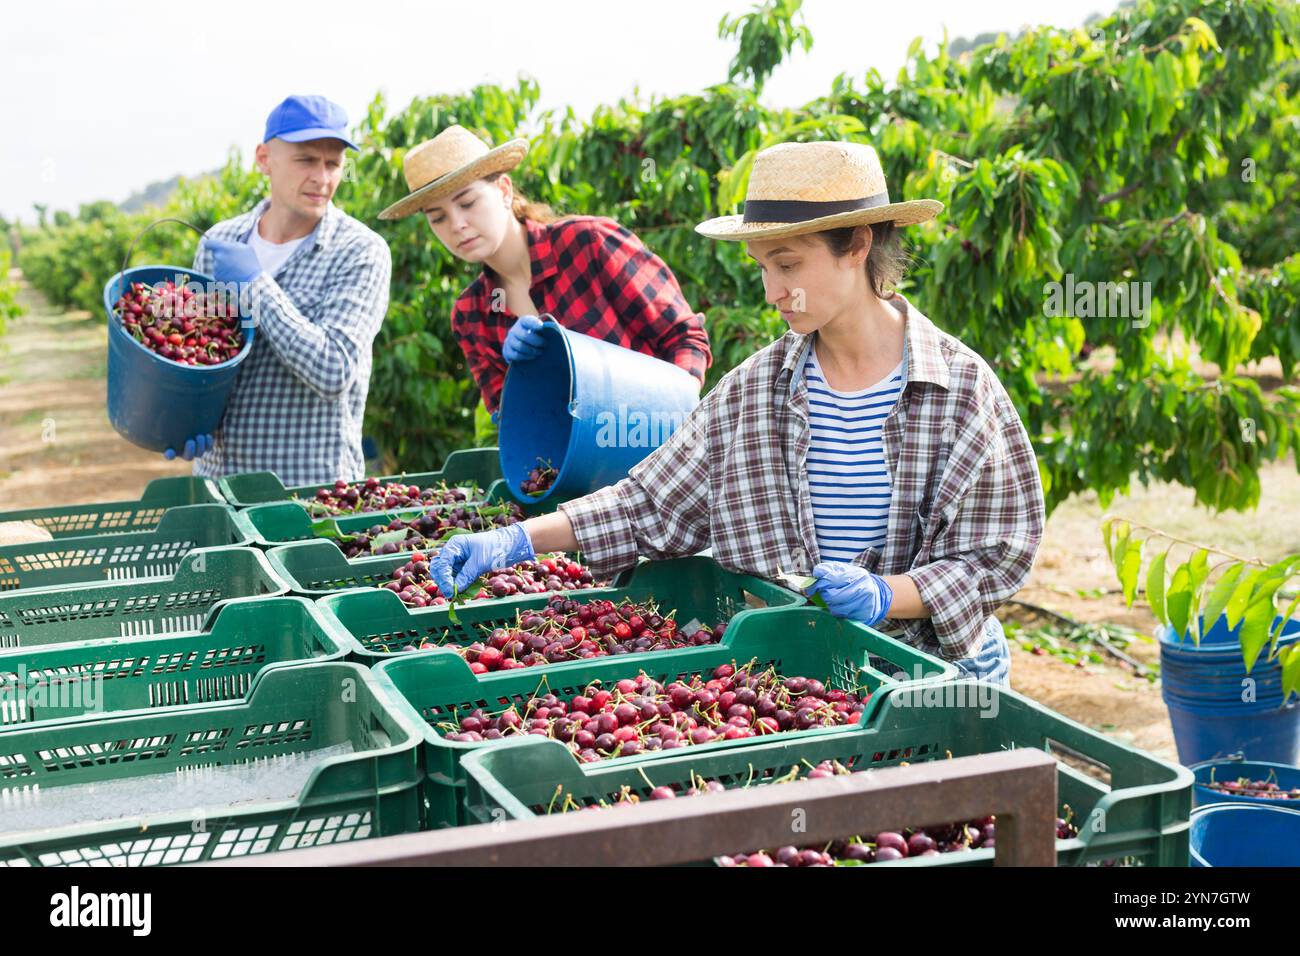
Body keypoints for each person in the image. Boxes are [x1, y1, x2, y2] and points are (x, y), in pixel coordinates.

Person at [429, 140, 1045, 685]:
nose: (772, 292)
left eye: (788, 265)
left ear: (857, 245)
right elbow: (647, 503)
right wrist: (515, 539)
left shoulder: (959, 390)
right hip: (815, 682)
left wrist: (891, 595)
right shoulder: (752, 393)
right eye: (762, 269)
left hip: (940, 679)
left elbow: (997, 556)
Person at [377, 125, 711, 418]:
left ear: (505, 191)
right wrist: (522, 377)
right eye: (438, 218)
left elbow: (686, 337)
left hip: (659, 448)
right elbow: (515, 423)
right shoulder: (471, 315)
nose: (458, 225)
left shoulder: (588, 243)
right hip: (581, 476)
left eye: (467, 203)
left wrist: (674, 414)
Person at [170, 94, 392, 485]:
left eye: (333, 164)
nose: (322, 178)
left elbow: (333, 369)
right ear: (263, 159)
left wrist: (255, 285)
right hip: (218, 487)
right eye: (306, 159)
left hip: (310, 497)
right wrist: (182, 417)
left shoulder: (359, 251)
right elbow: (199, 354)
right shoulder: (220, 243)